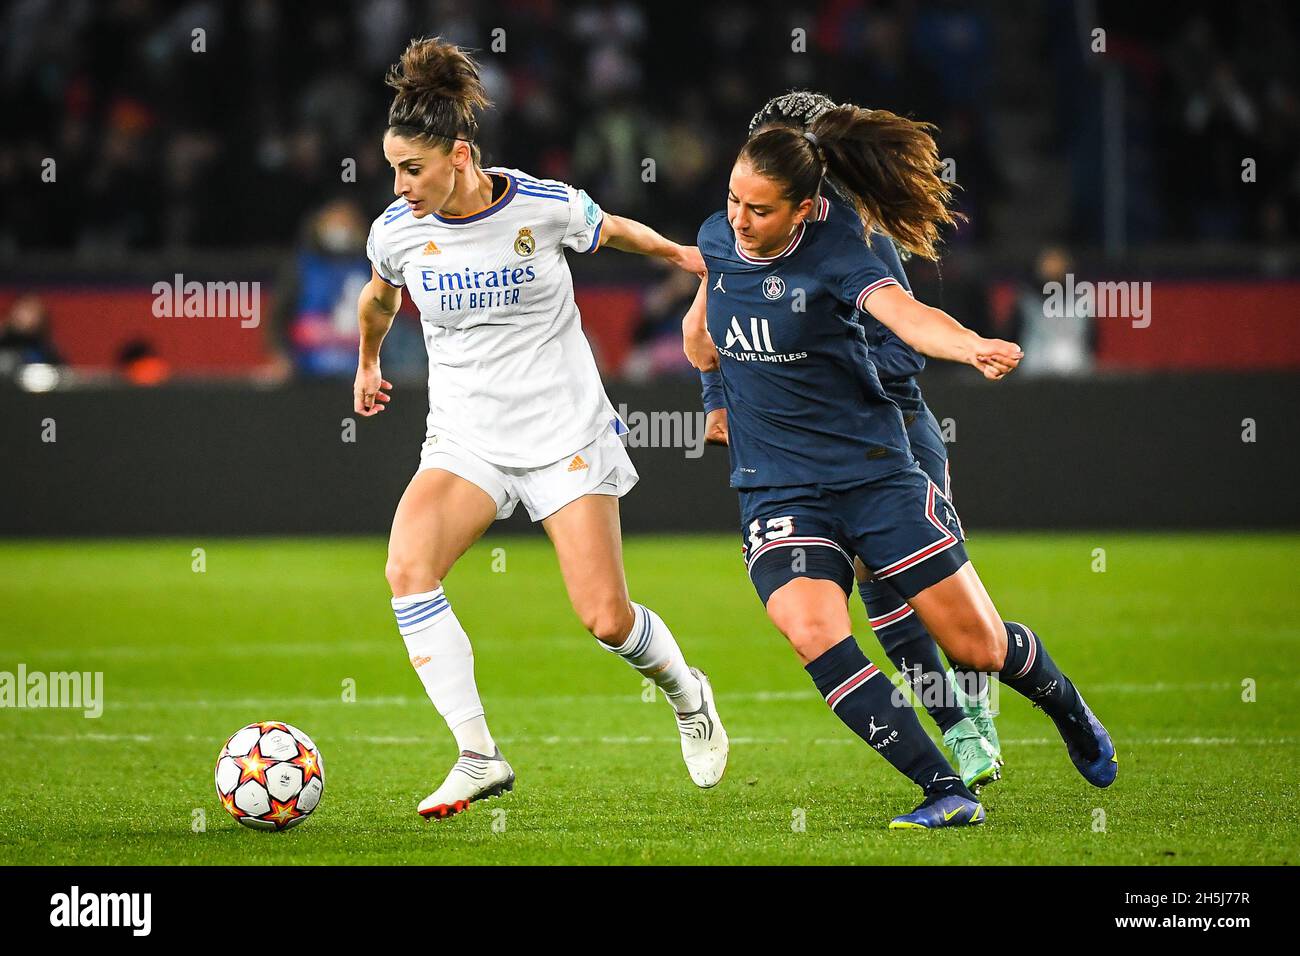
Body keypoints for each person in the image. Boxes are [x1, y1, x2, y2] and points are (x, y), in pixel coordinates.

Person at [685, 105, 1117, 829]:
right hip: (777, 486)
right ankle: (945, 788)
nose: (739, 218)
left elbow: (906, 319)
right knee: (810, 628)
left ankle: (1067, 710)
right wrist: (709, 369)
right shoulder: (718, 237)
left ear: (803, 208)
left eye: (758, 208)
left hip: (872, 473)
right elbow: (704, 329)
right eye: (733, 200)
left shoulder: (844, 248)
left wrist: (971, 343)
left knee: (975, 646)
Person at [356, 37, 728, 820]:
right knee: (407, 570)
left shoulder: (542, 205)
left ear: (459, 154)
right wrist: (368, 361)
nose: (400, 185)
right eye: (392, 169)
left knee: (606, 619)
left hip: (563, 432)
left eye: (411, 169)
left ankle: (688, 693)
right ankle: (478, 755)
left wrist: (681, 255)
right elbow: (379, 299)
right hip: (465, 437)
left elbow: (616, 230)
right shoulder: (396, 229)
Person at [689, 92, 1002, 792]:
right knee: (872, 587)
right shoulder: (749, 236)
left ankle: (976, 713)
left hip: (885, 425)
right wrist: (719, 399)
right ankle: (955, 728)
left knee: (914, 587)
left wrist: (832, 381)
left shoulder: (853, 237)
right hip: (816, 443)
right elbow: (707, 328)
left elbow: (901, 345)